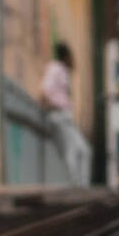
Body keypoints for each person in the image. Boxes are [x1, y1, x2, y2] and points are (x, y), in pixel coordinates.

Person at [39, 42, 89, 182]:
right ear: (65, 57)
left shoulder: (63, 72)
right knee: (72, 151)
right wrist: (57, 105)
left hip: (64, 116)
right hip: (58, 114)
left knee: (83, 150)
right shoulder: (56, 68)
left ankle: (81, 184)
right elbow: (46, 89)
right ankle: (75, 183)